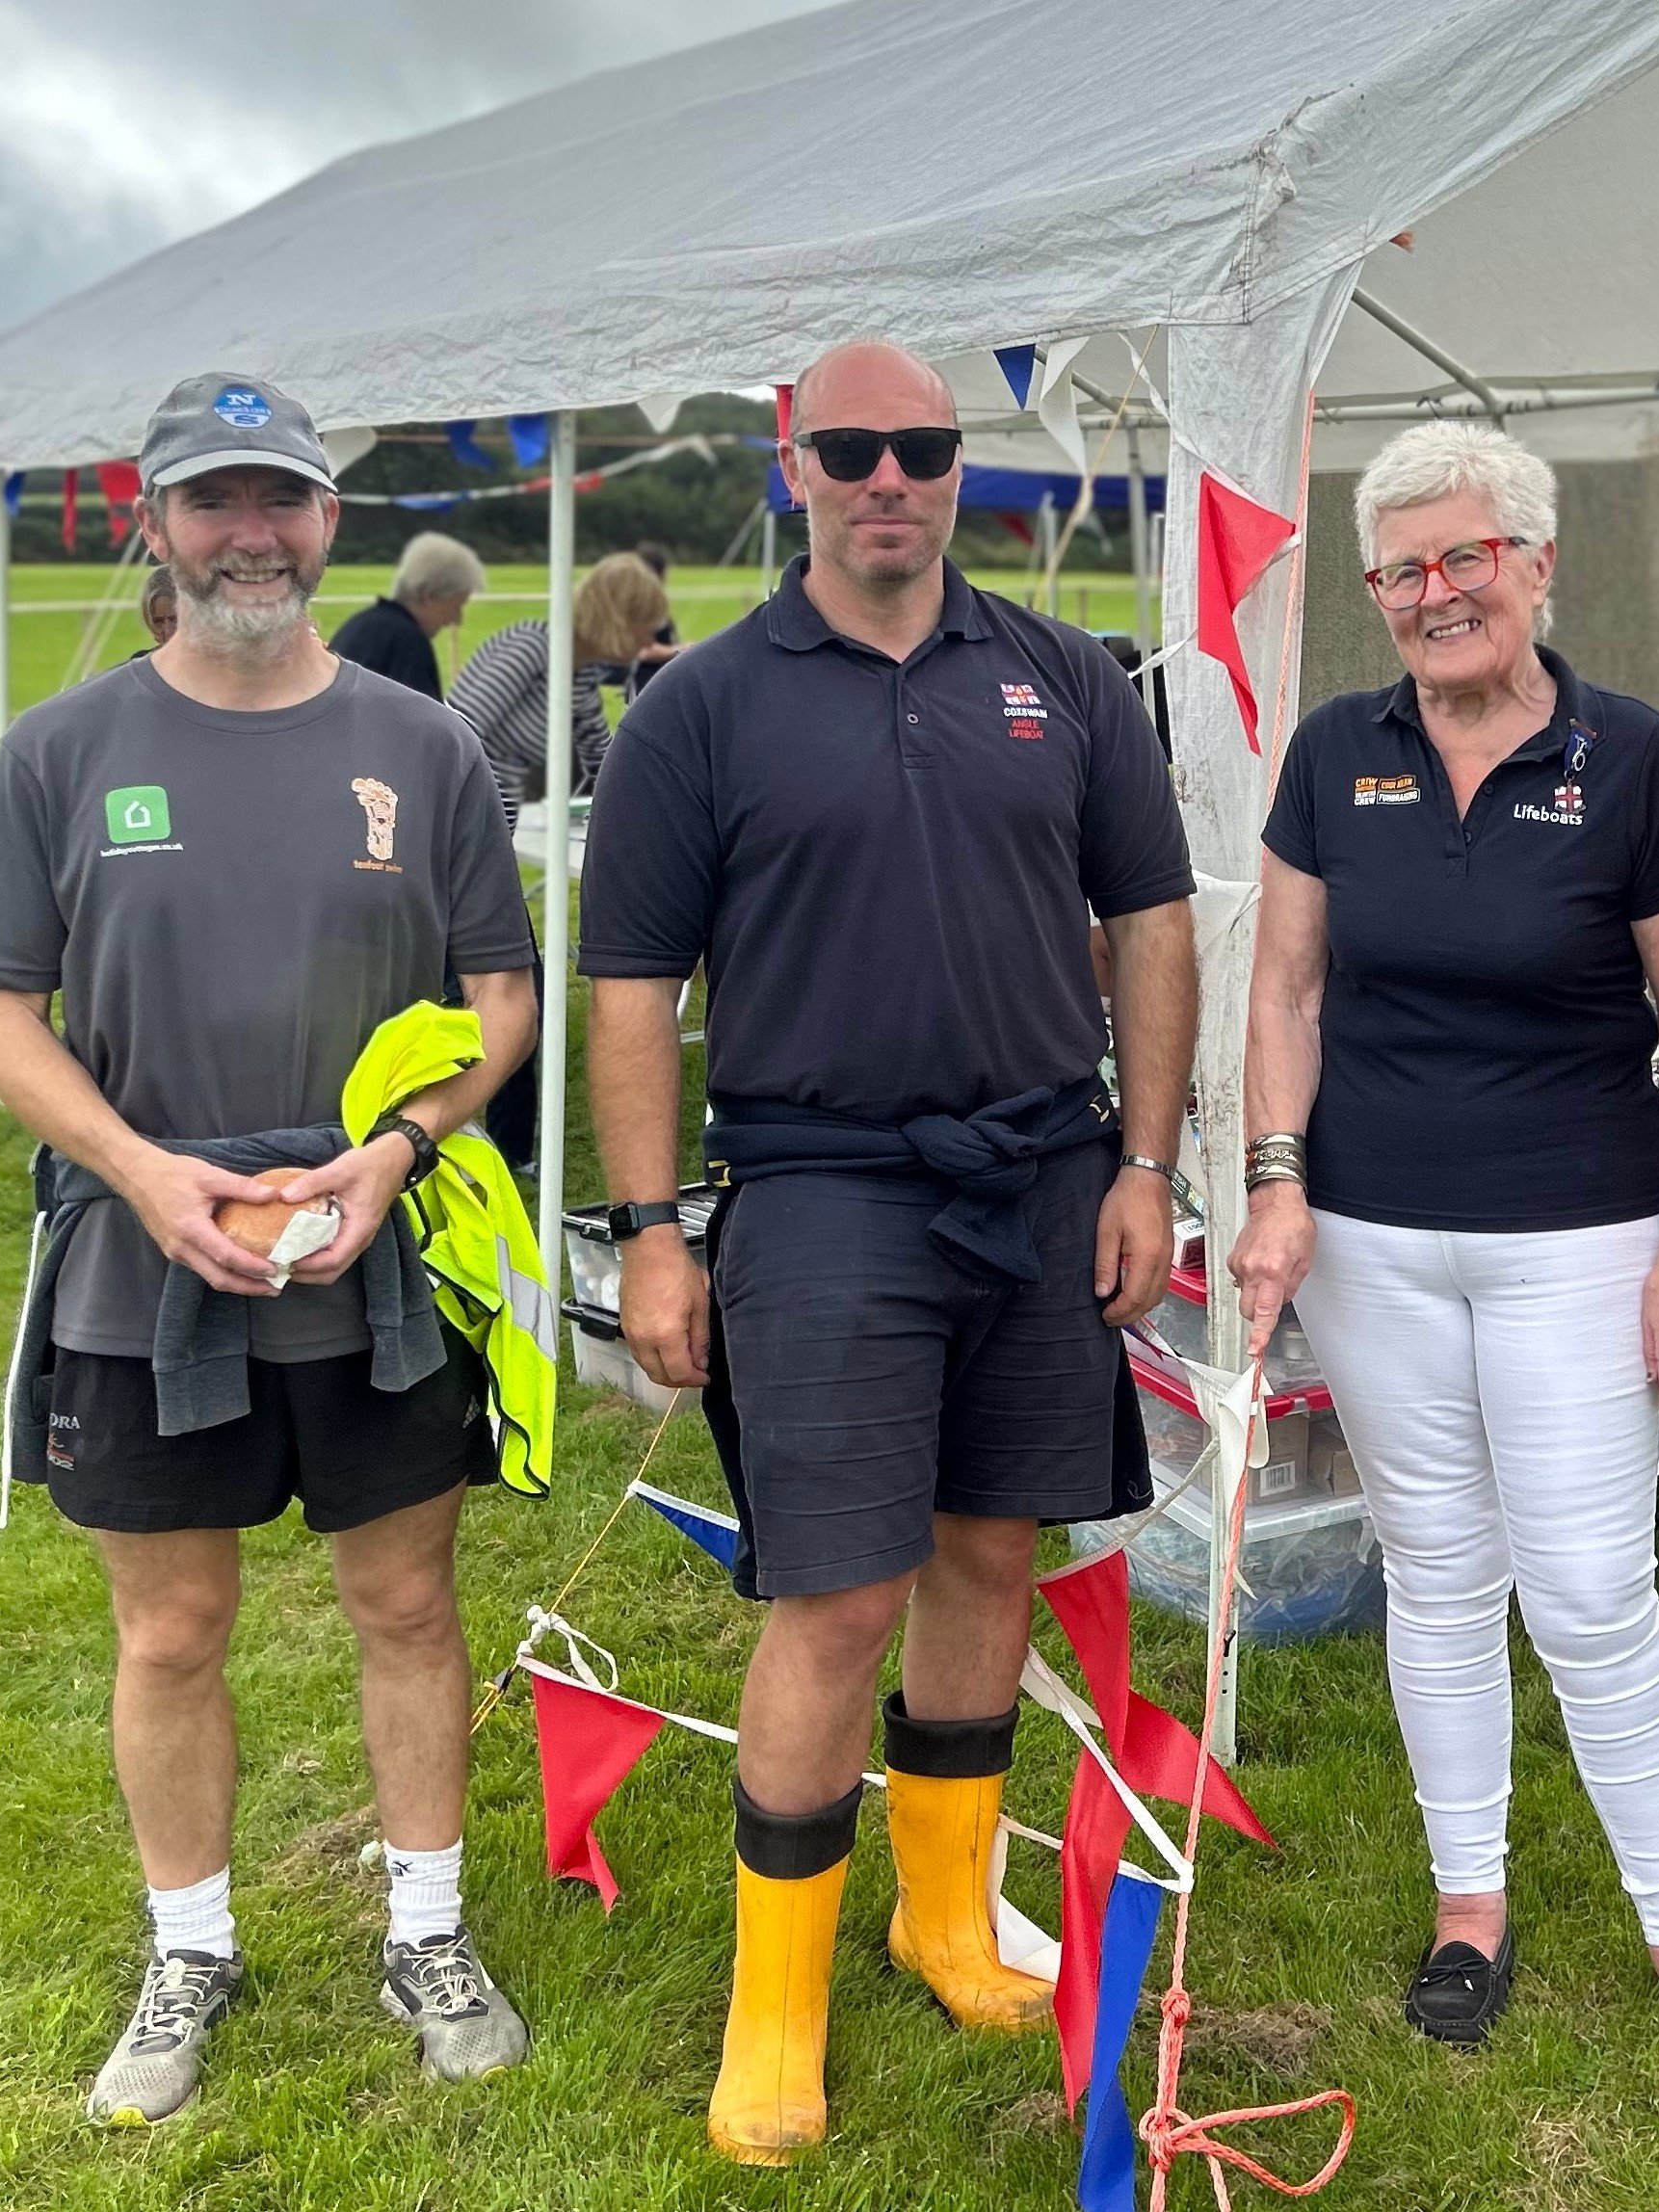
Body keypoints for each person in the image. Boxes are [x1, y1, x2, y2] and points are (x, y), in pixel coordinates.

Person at [580, 340, 1196, 2164]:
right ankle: (774, 2006)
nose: (885, 477)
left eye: (919, 447)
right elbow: (628, 994)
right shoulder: (698, 706)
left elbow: (1148, 924)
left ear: (955, 467)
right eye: (848, 448)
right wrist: (647, 1235)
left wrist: (1146, 1160)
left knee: (987, 1552)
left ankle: (941, 1911)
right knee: (837, 1591)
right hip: (821, 1187)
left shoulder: (1061, 674)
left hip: (1037, 1174)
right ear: (791, 465)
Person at [0, 372, 540, 2124]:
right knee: (174, 1630)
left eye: (281, 499)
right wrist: (138, 1171)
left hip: (372, 1253)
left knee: (408, 1600)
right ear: (158, 519)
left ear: (328, 519)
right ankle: (188, 1945)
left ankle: (425, 1927)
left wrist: (398, 1148)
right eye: (215, 501)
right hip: (149, 1261)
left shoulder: (418, 744)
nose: (251, 533)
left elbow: (499, 996)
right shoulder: (64, 751)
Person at [1227, 420, 1659, 2087]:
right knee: (1438, 1571)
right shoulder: (1334, 749)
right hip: (1371, 1246)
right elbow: (1282, 989)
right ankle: (1463, 1906)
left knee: (1590, 1588)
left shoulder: (1624, 755)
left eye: (1462, 557)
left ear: (1534, 563)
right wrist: (1272, 1182)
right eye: (1399, 571)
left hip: (1580, 1234)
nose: (1431, 594)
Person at [450, 552, 669, 825]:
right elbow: (456, 732)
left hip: (497, 818)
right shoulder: (532, 646)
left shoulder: (583, 675)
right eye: (646, 628)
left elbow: (605, 761)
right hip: (465, 819)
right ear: (619, 619)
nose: (650, 641)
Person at [329, 531, 487, 701]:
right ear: (429, 595)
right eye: (456, 606)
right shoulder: (407, 642)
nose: (457, 619)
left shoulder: (360, 625)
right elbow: (427, 723)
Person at [624, 540, 685, 700]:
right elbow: (641, 651)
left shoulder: (652, 602)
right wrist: (681, 649)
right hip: (644, 689)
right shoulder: (639, 606)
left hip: (659, 686)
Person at [136, 564, 178, 651]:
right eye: (159, 621)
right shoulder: (140, 663)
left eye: (174, 619)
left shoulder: (212, 662)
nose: (168, 631)